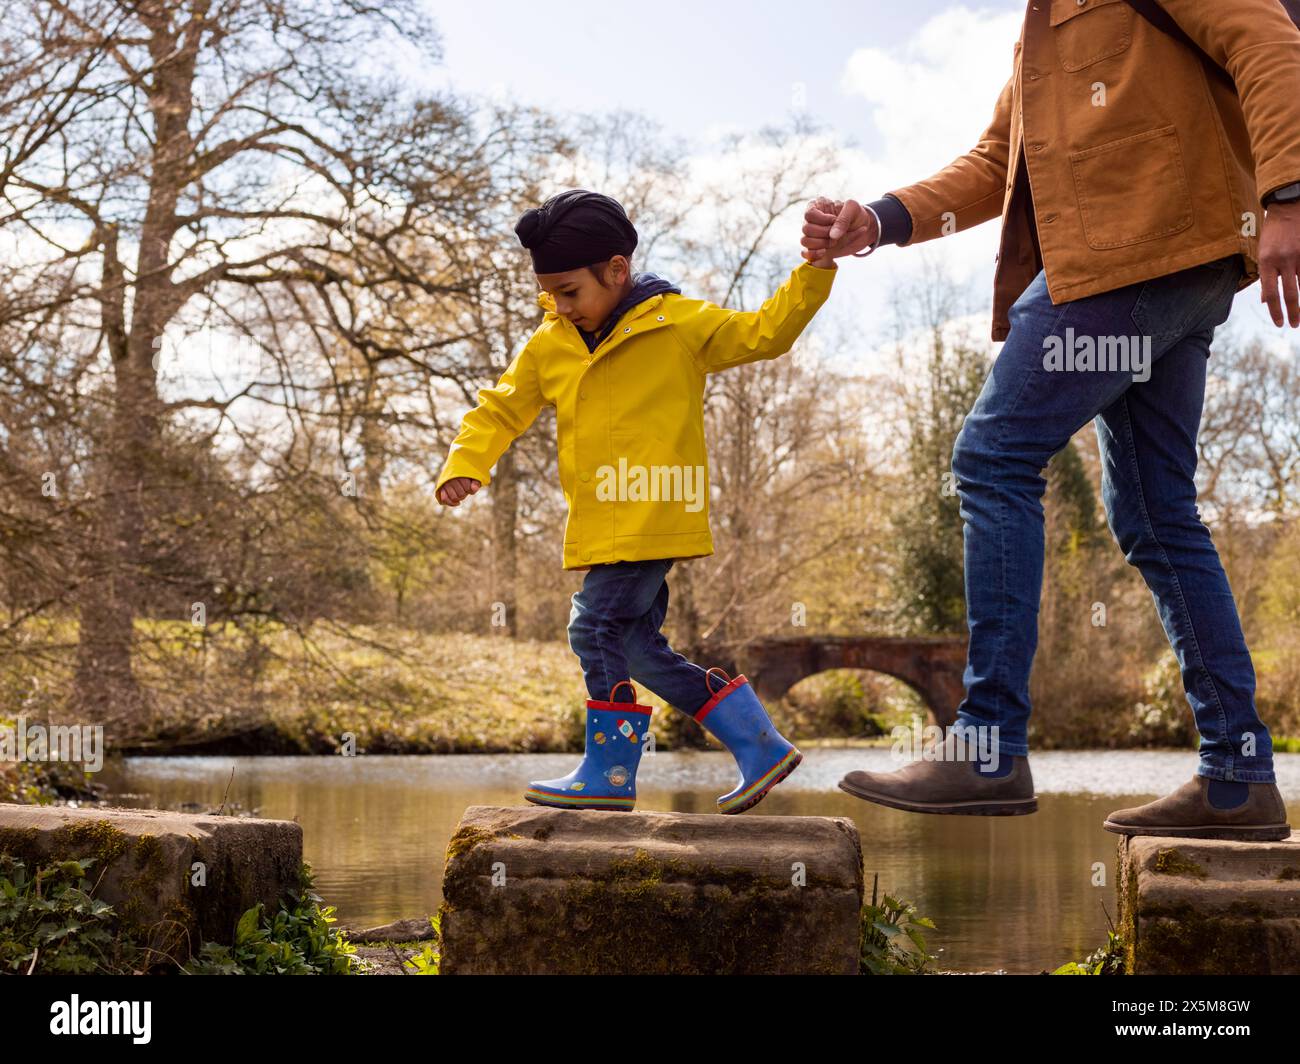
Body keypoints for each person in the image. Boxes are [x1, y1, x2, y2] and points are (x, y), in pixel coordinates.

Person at [804, 0, 1300, 840]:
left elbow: (1267, 38)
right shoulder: (1044, 25)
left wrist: (1287, 195)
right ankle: (1236, 777)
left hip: (1135, 257)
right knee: (1155, 513)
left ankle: (989, 744)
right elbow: (1000, 159)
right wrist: (881, 220)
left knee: (994, 455)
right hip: (1164, 268)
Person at [436, 189, 848, 813]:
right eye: (549, 294)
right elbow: (501, 407)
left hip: (654, 512)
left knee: (592, 625)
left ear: (617, 270)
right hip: (600, 526)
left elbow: (766, 332)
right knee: (633, 648)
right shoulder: (552, 343)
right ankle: (759, 745)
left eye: (570, 291)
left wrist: (815, 269)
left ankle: (609, 773)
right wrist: (466, 463)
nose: (559, 306)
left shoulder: (677, 324)